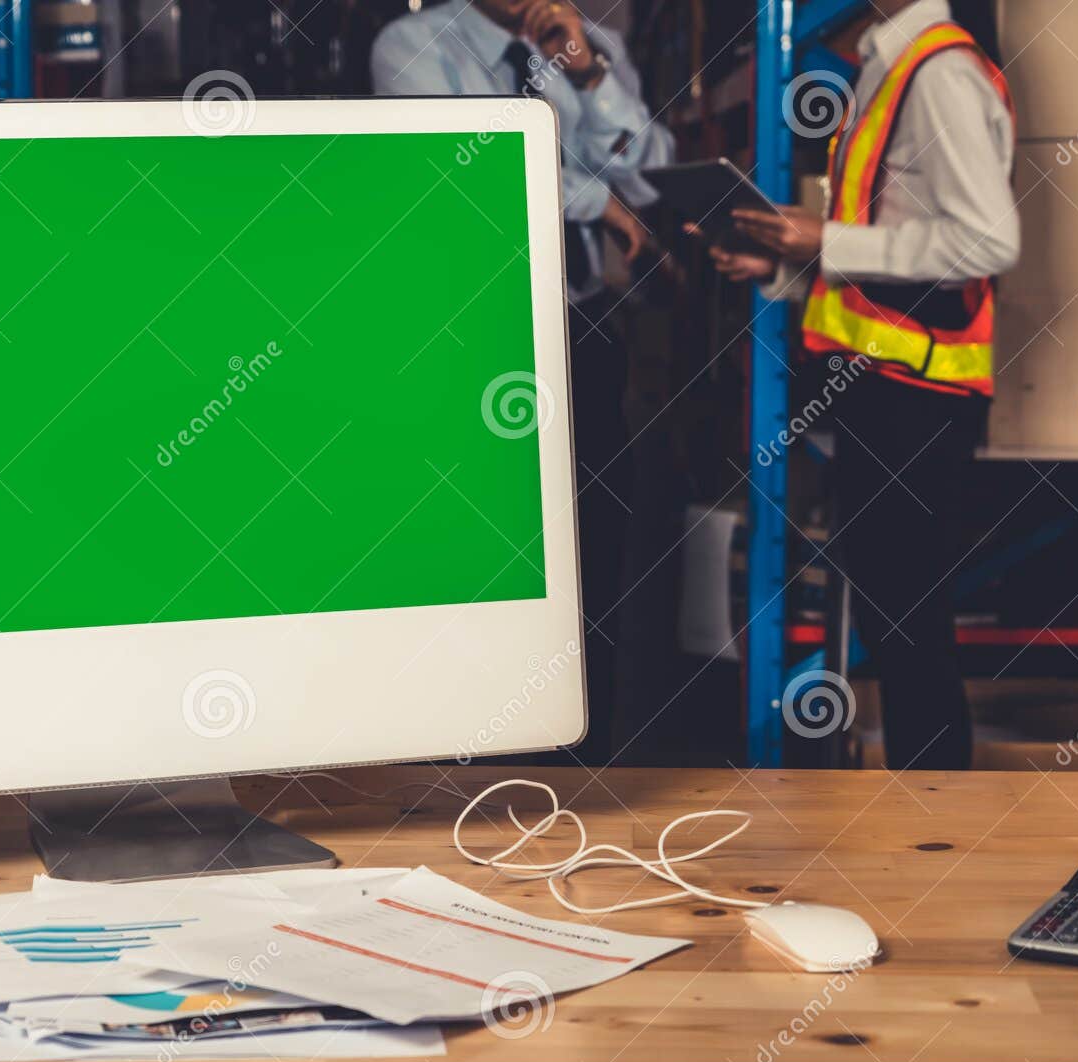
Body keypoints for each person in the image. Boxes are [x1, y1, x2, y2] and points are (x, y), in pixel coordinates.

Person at [701, 0, 1019, 769]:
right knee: (895, 619)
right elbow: (888, 242)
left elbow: (986, 238)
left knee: (910, 624)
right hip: (881, 386)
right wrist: (784, 261)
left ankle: (936, 815)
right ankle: (924, 813)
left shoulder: (937, 70)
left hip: (917, 390)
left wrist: (822, 236)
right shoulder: (889, 63)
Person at [372, 1, 674, 763]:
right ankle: (472, 756)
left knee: (595, 544)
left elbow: (650, 166)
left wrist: (590, 74)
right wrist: (592, 198)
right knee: (490, 554)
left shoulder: (589, 45)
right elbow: (464, 169)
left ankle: (580, 756)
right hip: (478, 335)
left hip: (583, 326)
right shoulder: (412, 45)